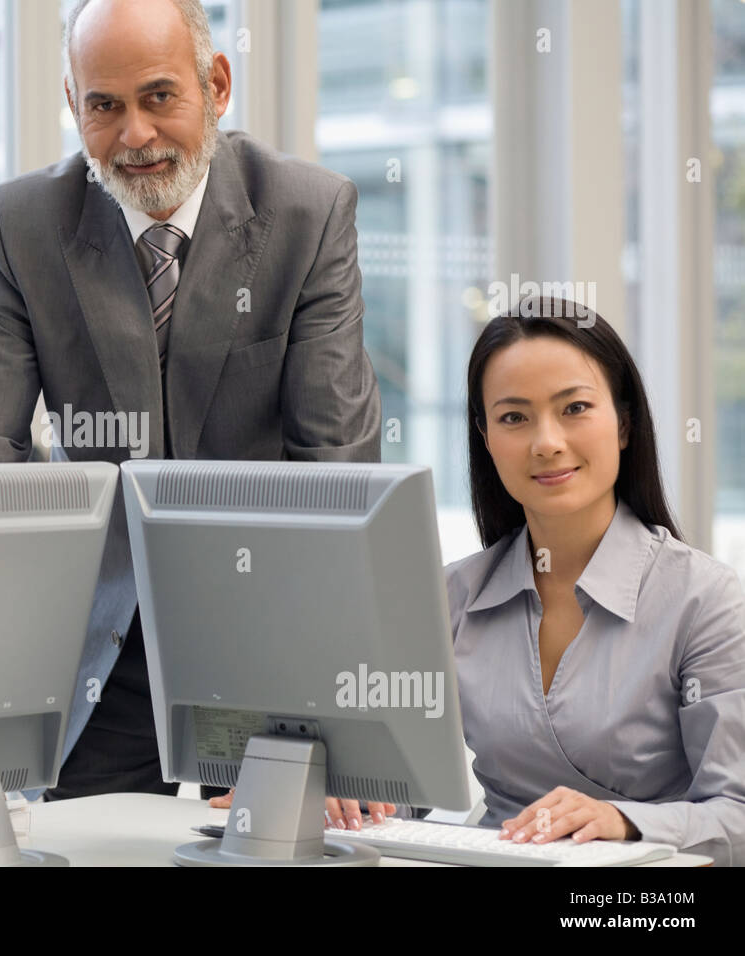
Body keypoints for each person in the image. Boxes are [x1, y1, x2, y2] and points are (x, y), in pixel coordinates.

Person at [0, 0, 381, 801]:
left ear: (216, 85)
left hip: (272, 627)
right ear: (74, 107)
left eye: (158, 96)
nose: (134, 134)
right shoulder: (22, 223)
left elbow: (336, 475)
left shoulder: (308, 214)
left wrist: (318, 709)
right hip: (107, 642)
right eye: (104, 106)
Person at [215, 297, 745, 862]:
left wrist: (621, 821)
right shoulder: (450, 598)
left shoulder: (705, 602)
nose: (546, 442)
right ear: (486, 438)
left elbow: (735, 814)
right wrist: (347, 795)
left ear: (624, 424)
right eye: (514, 417)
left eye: (575, 408)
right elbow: (402, 790)